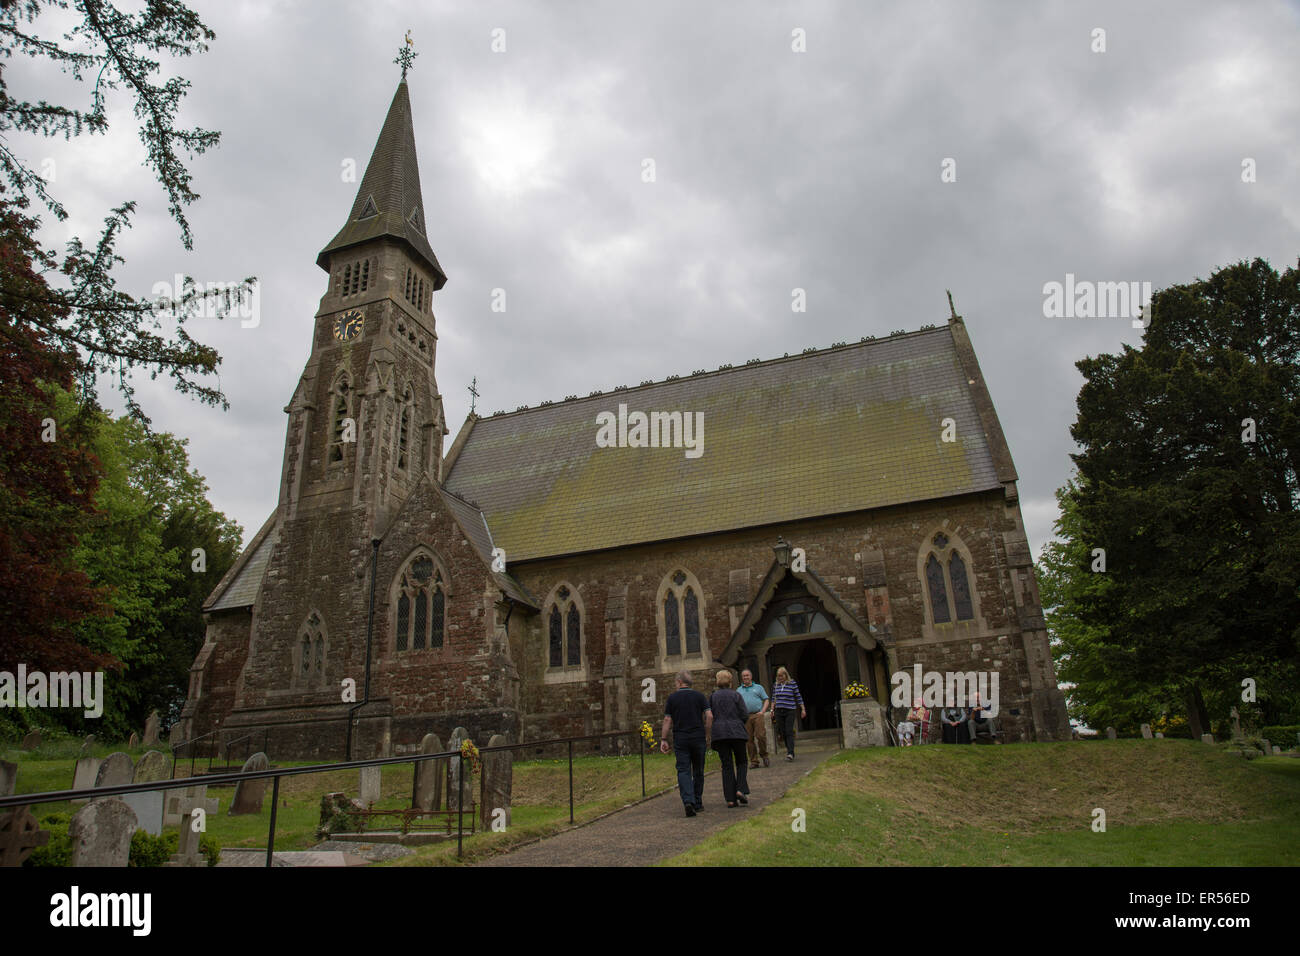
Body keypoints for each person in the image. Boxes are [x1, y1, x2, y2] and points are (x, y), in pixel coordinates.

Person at [661, 669, 712, 816]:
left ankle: (688, 801)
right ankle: (698, 802)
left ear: (679, 682)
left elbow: (667, 720)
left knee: (683, 770)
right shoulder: (699, 696)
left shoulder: (672, 698)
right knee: (698, 770)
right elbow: (709, 716)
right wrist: (707, 733)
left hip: (681, 738)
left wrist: (664, 739)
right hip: (698, 737)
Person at [708, 670, 750, 807]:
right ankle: (740, 789)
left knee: (726, 765)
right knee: (742, 761)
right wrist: (738, 723)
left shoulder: (713, 697)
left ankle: (730, 799)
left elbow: (710, 715)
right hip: (736, 732)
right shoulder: (736, 695)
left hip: (720, 734)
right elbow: (744, 714)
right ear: (730, 681)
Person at [736, 669, 770, 768]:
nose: (746, 677)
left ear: (751, 676)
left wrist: (762, 711)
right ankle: (754, 761)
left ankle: (764, 755)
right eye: (744, 676)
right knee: (749, 739)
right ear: (742, 678)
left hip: (757, 715)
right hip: (746, 717)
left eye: (747, 675)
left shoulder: (758, 687)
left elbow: (766, 700)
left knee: (761, 736)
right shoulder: (739, 690)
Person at [770, 666, 806, 760]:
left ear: (786, 675)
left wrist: (803, 709)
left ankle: (790, 753)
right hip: (779, 711)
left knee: (789, 730)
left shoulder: (792, 683)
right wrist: (772, 710)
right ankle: (788, 749)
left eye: (782, 676)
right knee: (783, 731)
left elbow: (798, 696)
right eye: (778, 676)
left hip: (790, 710)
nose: (780, 678)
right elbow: (773, 698)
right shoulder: (776, 685)